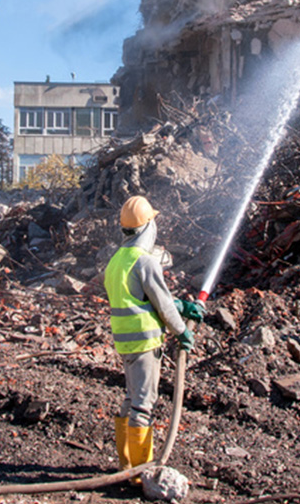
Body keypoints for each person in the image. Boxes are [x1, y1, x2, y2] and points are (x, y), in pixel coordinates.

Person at [104, 196, 203, 476]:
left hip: (125, 342)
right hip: (145, 342)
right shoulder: (145, 261)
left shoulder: (117, 261)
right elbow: (162, 305)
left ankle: (126, 464)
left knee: (131, 398)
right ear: (148, 226)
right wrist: (182, 332)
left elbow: (140, 297)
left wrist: (181, 305)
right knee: (143, 405)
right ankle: (139, 472)